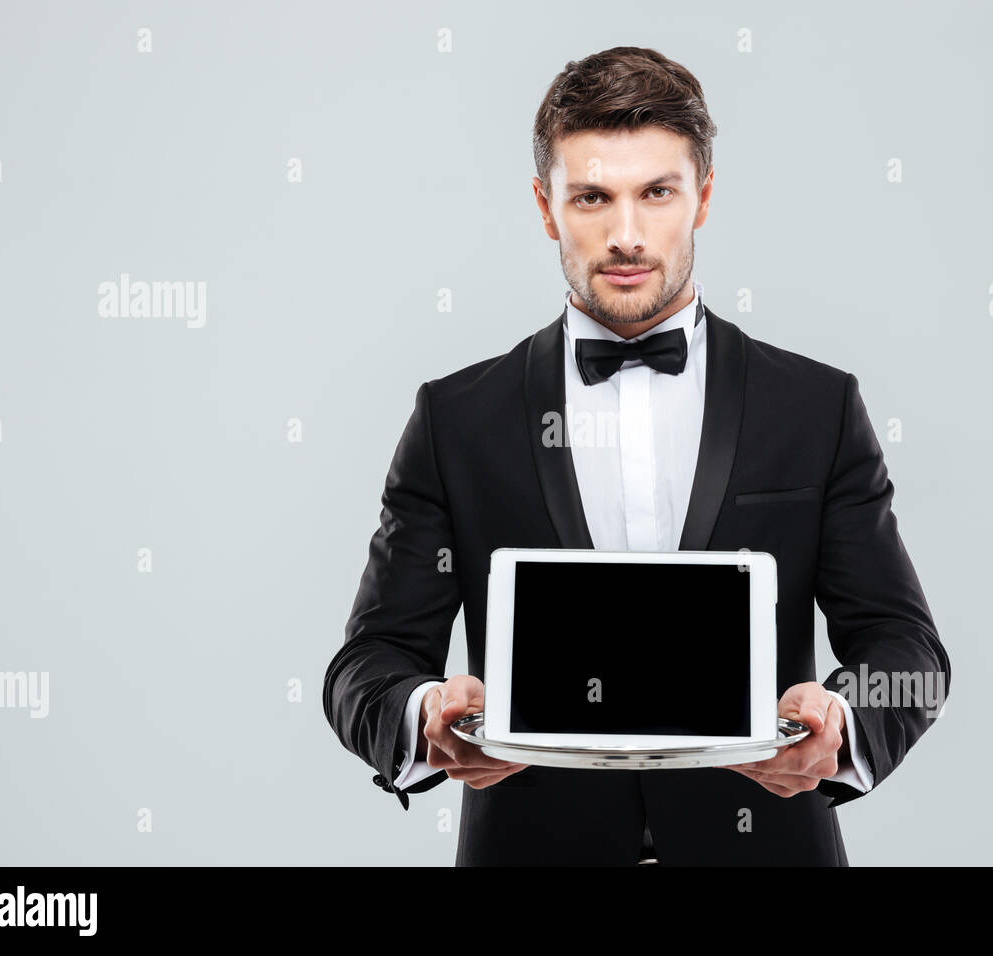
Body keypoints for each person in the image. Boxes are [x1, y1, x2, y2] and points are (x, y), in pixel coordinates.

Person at [322, 46, 949, 866]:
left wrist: (843, 723)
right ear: (547, 208)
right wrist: (426, 715)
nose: (625, 236)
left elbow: (908, 653)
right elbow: (367, 665)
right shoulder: (456, 418)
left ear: (703, 198)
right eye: (591, 197)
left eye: (657, 193)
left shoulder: (817, 407)